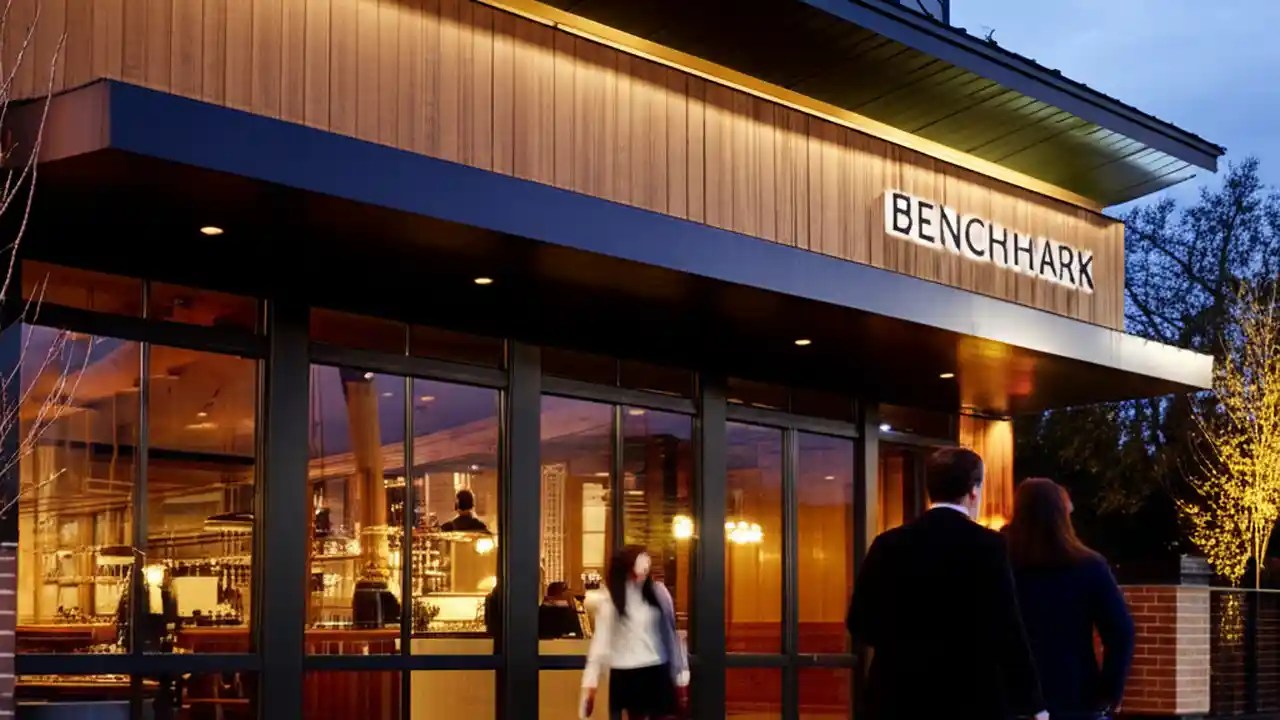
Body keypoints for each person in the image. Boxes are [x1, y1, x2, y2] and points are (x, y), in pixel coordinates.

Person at [846, 447, 1047, 720]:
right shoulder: (988, 545)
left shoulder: (888, 543)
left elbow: (859, 621)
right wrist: (1033, 701)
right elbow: (1006, 625)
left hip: (896, 694)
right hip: (969, 695)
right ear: (974, 490)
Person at [1004, 478, 1135, 720]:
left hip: (1011, 695)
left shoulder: (1001, 562)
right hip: (1076, 694)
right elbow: (1121, 632)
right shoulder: (1088, 565)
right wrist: (1109, 693)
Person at [581, 546, 689, 719]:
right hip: (626, 673)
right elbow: (600, 644)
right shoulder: (610, 602)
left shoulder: (658, 593)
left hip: (656, 669)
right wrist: (590, 685)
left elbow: (670, 635)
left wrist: (681, 676)